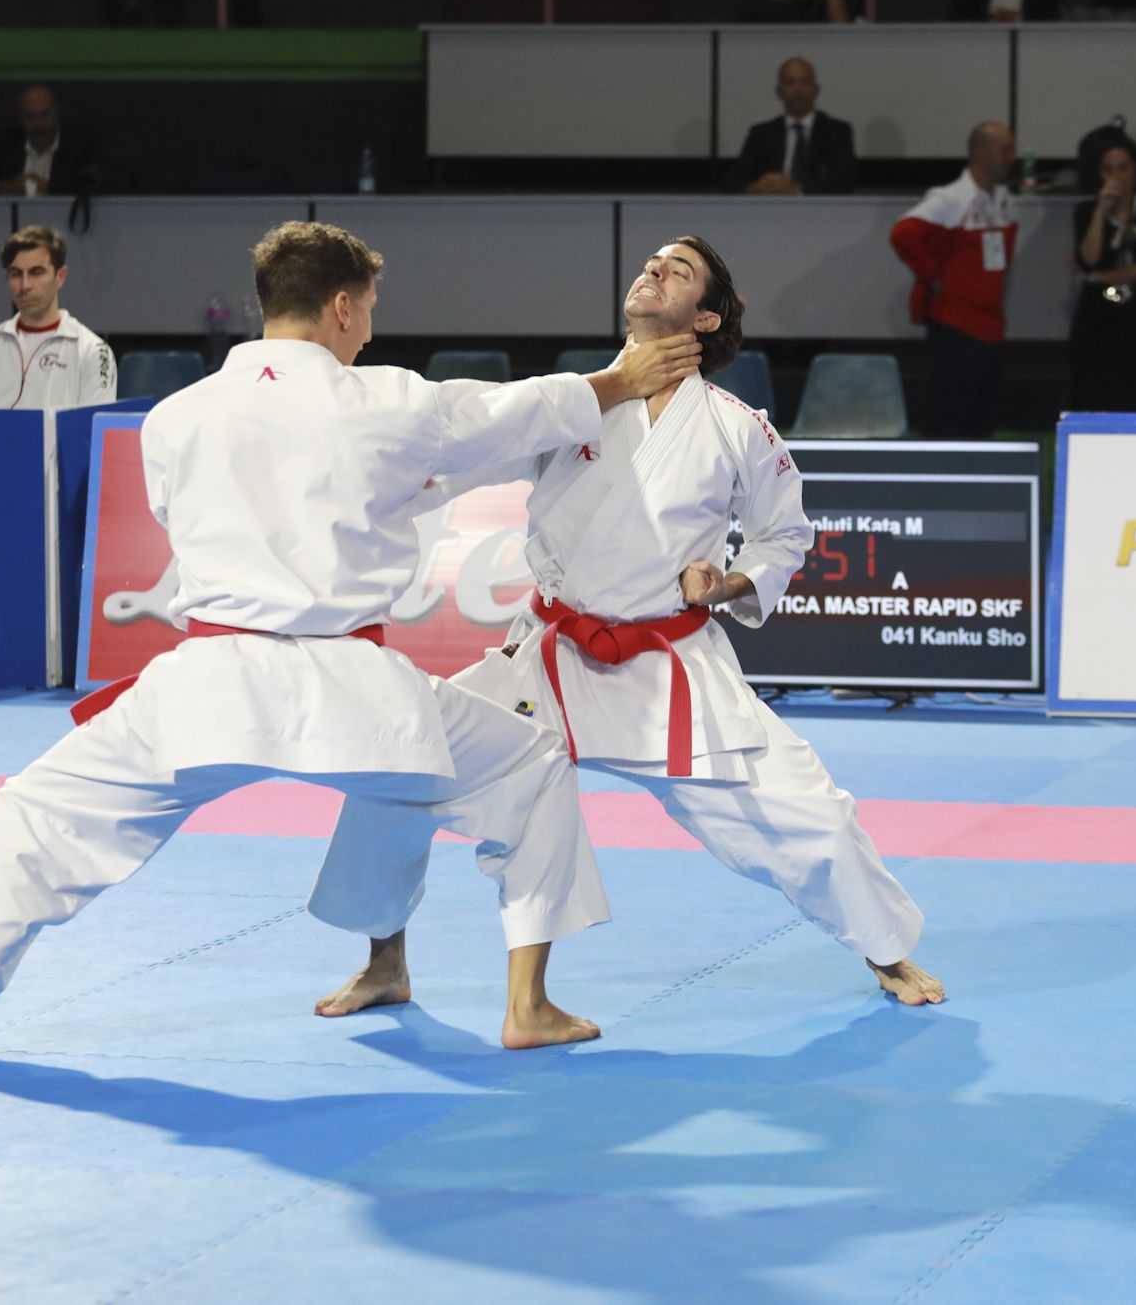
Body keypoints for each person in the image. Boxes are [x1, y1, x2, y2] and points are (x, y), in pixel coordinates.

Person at [0, 221, 704, 1068]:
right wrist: (616, 380)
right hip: (356, 696)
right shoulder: (387, 401)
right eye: (369, 309)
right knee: (527, 765)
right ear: (342, 306)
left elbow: (181, 515)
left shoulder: (176, 416)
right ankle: (528, 1005)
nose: (371, 328)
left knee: (36, 809)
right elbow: (504, 412)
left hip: (205, 690)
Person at [308, 236, 942, 1020]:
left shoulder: (739, 427)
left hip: (668, 666)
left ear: (705, 317)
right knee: (399, 767)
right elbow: (453, 466)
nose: (653, 271)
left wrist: (730, 581)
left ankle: (887, 948)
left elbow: (787, 535)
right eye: (651, 262)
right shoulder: (571, 399)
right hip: (548, 655)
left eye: (678, 271)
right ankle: (385, 961)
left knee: (809, 812)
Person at [889, 121, 1022, 439]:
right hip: (956, 327)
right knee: (947, 420)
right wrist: (931, 274)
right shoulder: (951, 199)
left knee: (983, 419)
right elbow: (903, 232)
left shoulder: (1006, 202)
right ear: (978, 152)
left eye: (1010, 149)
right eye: (1003, 149)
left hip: (991, 327)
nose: (1010, 157)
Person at [0, 226, 118, 410]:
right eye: (16, 274)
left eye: (36, 272)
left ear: (60, 276)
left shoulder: (93, 352)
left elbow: (93, 431)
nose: (25, 285)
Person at [1071, 130, 1136, 411]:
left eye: (1123, 168)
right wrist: (1101, 212)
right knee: (1093, 392)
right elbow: (1088, 258)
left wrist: (1099, 278)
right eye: (1108, 169)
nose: (1116, 176)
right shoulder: (1086, 211)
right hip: (1096, 317)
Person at [725, 57, 858, 196]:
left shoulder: (836, 131)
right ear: (778, 91)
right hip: (769, 209)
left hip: (818, 211)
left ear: (816, 89)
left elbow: (845, 182)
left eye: (804, 82)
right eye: (790, 83)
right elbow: (732, 181)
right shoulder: (761, 134)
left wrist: (794, 189)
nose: (798, 89)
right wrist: (757, 187)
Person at [0, 84, 106, 198]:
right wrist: (3, 188)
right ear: (20, 119)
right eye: (30, 117)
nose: (38, 124)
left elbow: (98, 184)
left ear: (57, 113)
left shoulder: (81, 145)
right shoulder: (7, 144)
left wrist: (49, 188)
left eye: (44, 115)